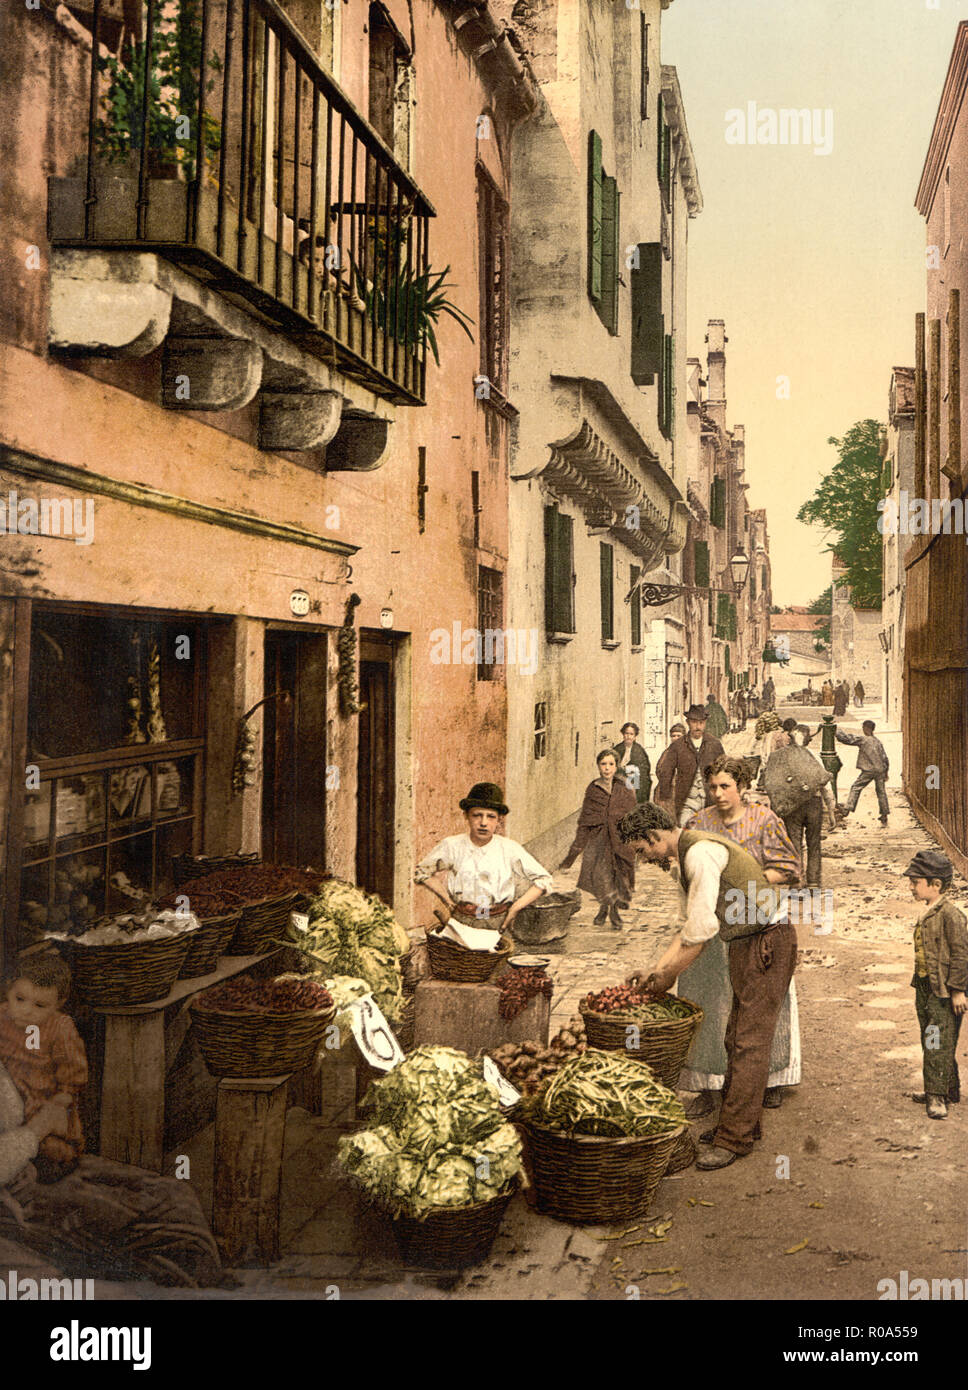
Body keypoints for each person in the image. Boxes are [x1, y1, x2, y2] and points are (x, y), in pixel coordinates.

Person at [620, 803, 798, 1170]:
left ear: (654, 837)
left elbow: (700, 934)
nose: (645, 857)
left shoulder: (699, 854)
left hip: (767, 941)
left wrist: (667, 977)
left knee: (749, 1042)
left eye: (642, 850)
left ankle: (734, 1138)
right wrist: (657, 967)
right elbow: (688, 927)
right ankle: (743, 1125)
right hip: (747, 940)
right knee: (736, 1038)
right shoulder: (692, 850)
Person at [0, 1058, 221, 1285]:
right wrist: (40, 1127)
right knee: (163, 1223)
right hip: (16, 1203)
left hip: (31, 1172)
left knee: (172, 1193)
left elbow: (13, 1119)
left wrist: (44, 1119)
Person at [679, 757, 802, 1118]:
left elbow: (789, 867)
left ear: (743, 787)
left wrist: (748, 884)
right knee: (708, 999)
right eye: (712, 787)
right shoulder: (698, 823)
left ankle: (771, 1079)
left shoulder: (764, 819)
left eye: (726, 787)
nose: (718, 794)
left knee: (759, 1003)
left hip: (757, 918)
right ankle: (708, 1085)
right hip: (715, 924)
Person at [415, 782, 553, 933]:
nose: (483, 823)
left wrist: (515, 908)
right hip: (462, 920)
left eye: (491, 817)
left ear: (499, 819)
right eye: (477, 815)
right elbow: (422, 872)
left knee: (497, 955)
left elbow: (544, 879)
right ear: (466, 816)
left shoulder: (509, 848)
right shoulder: (452, 846)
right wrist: (446, 900)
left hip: (499, 921)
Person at [0, 954, 87, 1183]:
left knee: (52, 1149)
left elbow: (72, 1072)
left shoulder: (60, 1028)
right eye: (19, 999)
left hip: (42, 1101)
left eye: (39, 1005)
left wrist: (62, 1099)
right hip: (10, 1098)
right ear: (9, 989)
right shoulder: (2, 1017)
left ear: (59, 1003)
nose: (26, 1011)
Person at [901, 850, 968, 1119]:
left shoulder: (951, 916)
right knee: (934, 1039)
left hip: (943, 992)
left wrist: (958, 991)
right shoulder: (930, 911)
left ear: (935, 884)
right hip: (926, 988)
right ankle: (947, 1088)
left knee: (936, 1041)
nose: (911, 887)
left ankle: (936, 1096)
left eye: (916, 882)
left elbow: (962, 955)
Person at [561, 750, 637, 927]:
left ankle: (608, 909)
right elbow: (586, 817)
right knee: (602, 876)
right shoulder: (593, 788)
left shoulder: (625, 787)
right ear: (598, 766)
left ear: (616, 766)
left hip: (619, 840)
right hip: (599, 840)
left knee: (618, 876)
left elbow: (633, 816)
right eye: (603, 764)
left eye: (611, 764)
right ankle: (611, 911)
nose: (607, 768)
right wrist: (575, 850)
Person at [761, 721, 836, 887]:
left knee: (794, 844)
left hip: (793, 806)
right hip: (814, 804)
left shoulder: (782, 757)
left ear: (790, 739)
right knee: (814, 844)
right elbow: (825, 785)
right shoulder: (814, 756)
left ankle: (796, 883)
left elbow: (773, 782)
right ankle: (814, 882)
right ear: (808, 740)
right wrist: (831, 810)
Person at [655, 704, 726, 827]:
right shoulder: (678, 746)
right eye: (694, 722)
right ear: (688, 722)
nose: (698, 726)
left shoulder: (714, 744)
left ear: (705, 723)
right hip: (686, 800)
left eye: (701, 722)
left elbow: (725, 770)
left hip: (710, 800)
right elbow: (666, 770)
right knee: (686, 831)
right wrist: (665, 795)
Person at [836, 720, 890, 826]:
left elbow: (847, 739)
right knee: (881, 792)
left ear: (866, 728)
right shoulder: (877, 742)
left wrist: (837, 731)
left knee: (856, 787)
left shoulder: (863, 740)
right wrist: (886, 772)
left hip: (869, 770)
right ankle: (884, 814)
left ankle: (847, 809)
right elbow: (885, 758)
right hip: (880, 770)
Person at [612, 722, 652, 804]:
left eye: (631, 734)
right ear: (623, 734)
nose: (628, 736)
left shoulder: (639, 750)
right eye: (626, 733)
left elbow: (644, 770)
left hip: (635, 780)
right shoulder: (617, 749)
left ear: (635, 736)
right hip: (619, 779)